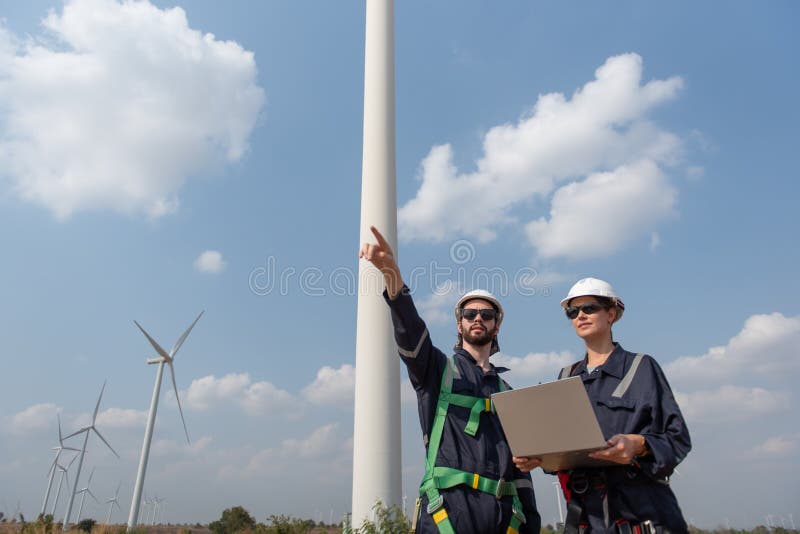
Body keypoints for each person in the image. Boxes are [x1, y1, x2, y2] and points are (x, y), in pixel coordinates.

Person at [360, 226, 541, 534]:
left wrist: (531, 523)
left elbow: (521, 473)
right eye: (470, 314)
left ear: (497, 326)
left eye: (486, 314)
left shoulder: (507, 392)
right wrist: (392, 276)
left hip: (504, 518)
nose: (478, 319)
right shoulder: (436, 371)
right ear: (459, 324)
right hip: (449, 514)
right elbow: (410, 331)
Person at [514, 277, 691, 534]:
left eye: (589, 308)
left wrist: (639, 445)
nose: (580, 315)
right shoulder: (566, 376)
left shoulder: (642, 367)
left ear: (611, 313)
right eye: (572, 312)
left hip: (640, 514)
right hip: (585, 518)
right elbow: (564, 450)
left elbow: (678, 439)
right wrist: (540, 457)